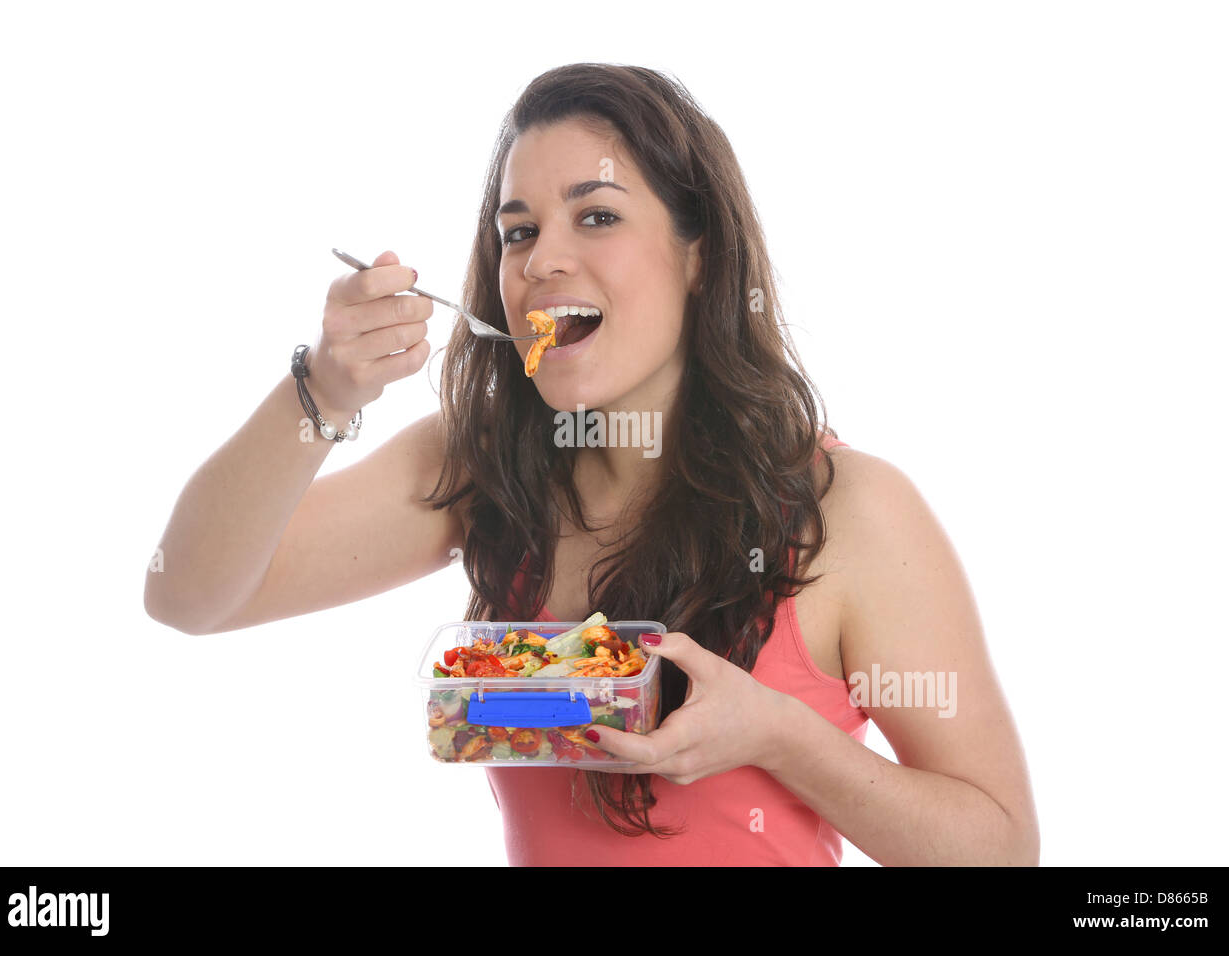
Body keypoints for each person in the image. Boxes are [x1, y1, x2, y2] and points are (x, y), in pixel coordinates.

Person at [145, 63, 1039, 866]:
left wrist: (780, 738)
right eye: (518, 231)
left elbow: (1001, 852)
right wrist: (326, 391)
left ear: (700, 256)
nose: (544, 260)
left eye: (597, 216)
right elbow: (186, 594)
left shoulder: (849, 510)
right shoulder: (482, 466)